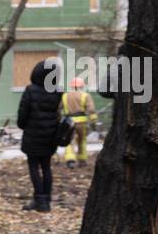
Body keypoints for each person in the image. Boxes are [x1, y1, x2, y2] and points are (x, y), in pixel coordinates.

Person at [16, 60, 62, 212]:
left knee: (34, 167)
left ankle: (39, 200)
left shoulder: (31, 90)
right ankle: (46, 201)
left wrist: (22, 125)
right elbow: (58, 114)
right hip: (50, 136)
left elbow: (23, 114)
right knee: (46, 167)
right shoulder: (57, 91)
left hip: (33, 135)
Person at [61, 77, 97, 167]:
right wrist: (93, 122)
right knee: (82, 141)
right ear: (81, 86)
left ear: (72, 86)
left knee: (69, 141)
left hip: (69, 122)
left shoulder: (64, 96)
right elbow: (91, 110)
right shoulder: (85, 96)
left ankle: (70, 159)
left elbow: (59, 109)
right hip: (81, 122)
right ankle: (82, 160)